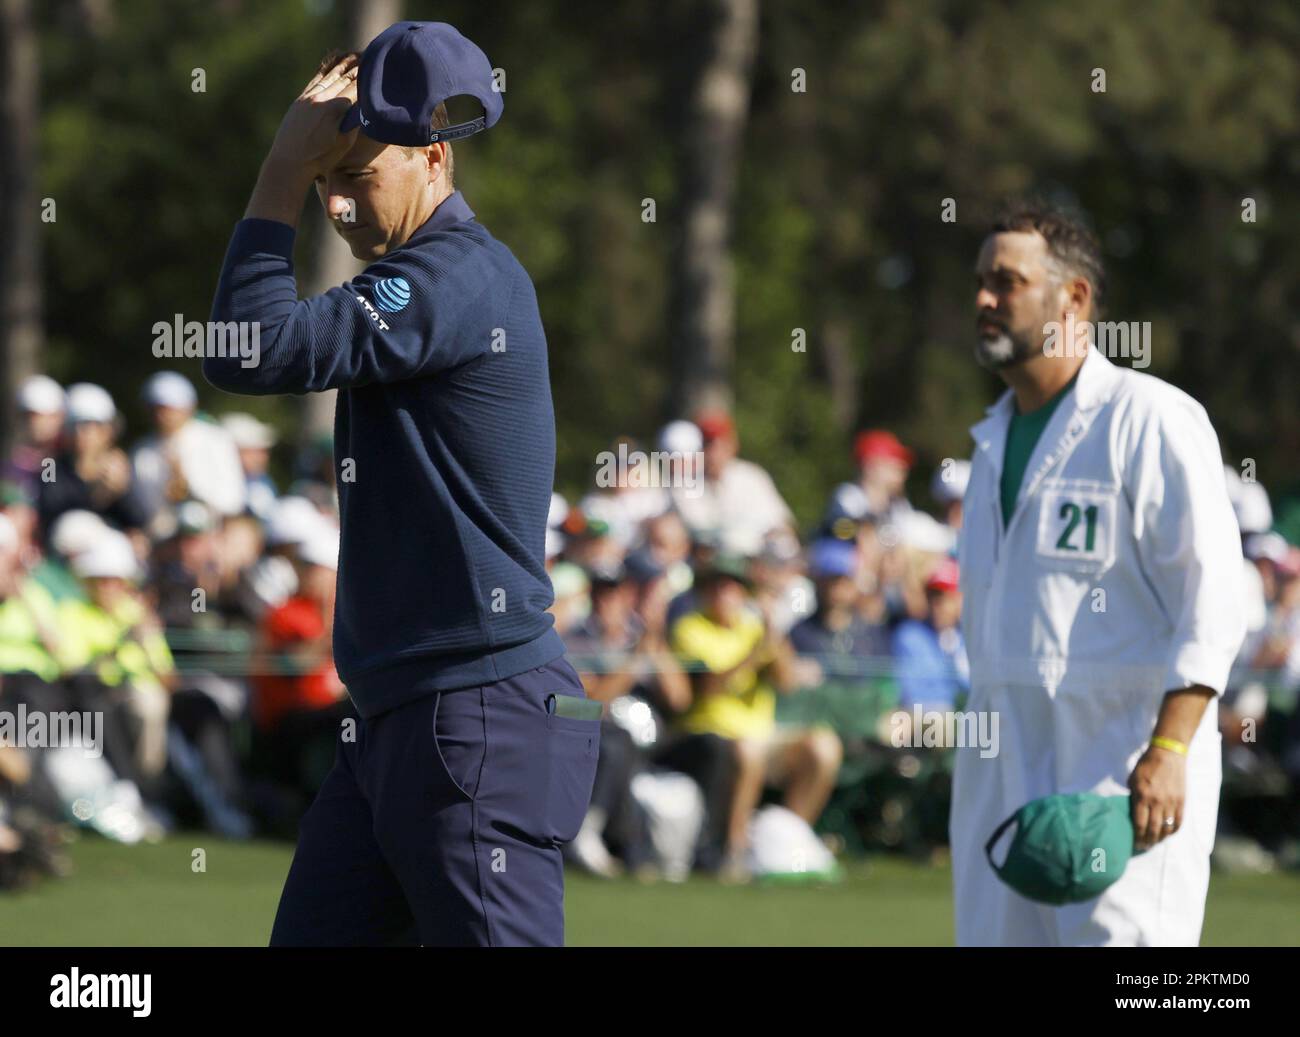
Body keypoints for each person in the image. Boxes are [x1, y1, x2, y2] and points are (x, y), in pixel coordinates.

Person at [203, 23, 598, 946]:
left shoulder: (456, 277)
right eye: (327, 182)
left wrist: (280, 172)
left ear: (434, 158)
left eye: (357, 177)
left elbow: (249, 346)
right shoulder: (433, 277)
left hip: (477, 716)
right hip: (401, 720)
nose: (337, 207)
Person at [951, 198, 1245, 946]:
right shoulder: (988, 442)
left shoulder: (1148, 418)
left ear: (1072, 299)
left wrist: (1171, 750)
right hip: (999, 769)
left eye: (1006, 282)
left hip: (1121, 771)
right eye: (981, 281)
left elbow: (1213, 599)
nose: (984, 299)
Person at [670, 555, 841, 879]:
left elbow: (787, 682)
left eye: (732, 587)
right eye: (717, 587)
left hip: (762, 735)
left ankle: (789, 841)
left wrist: (772, 632)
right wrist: (753, 653)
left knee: (823, 745)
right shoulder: (690, 628)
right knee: (749, 750)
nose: (725, 594)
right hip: (712, 733)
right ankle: (736, 852)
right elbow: (711, 688)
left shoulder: (754, 629)